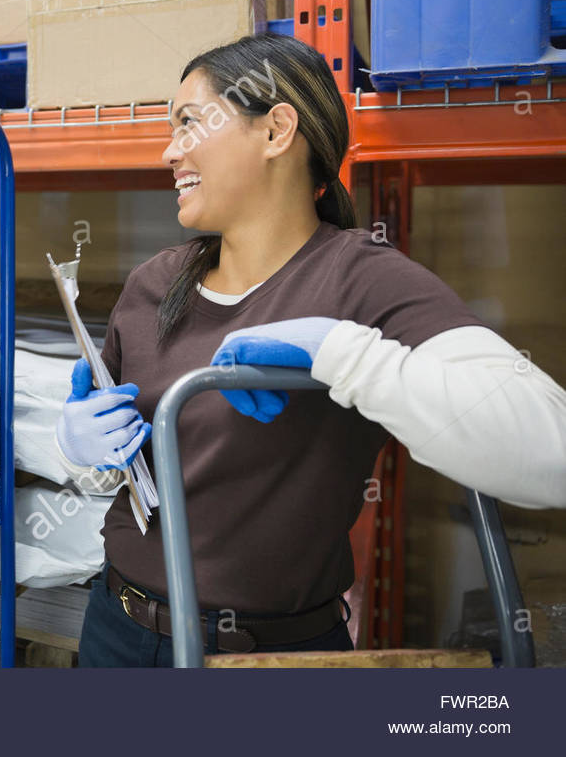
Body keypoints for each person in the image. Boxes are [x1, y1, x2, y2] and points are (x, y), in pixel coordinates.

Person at [57, 33, 566, 667]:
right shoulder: (156, 283)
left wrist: (345, 354)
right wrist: (86, 455)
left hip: (268, 658)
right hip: (116, 632)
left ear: (276, 131)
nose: (170, 151)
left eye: (189, 123)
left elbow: (552, 450)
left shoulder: (362, 280)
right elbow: (133, 474)